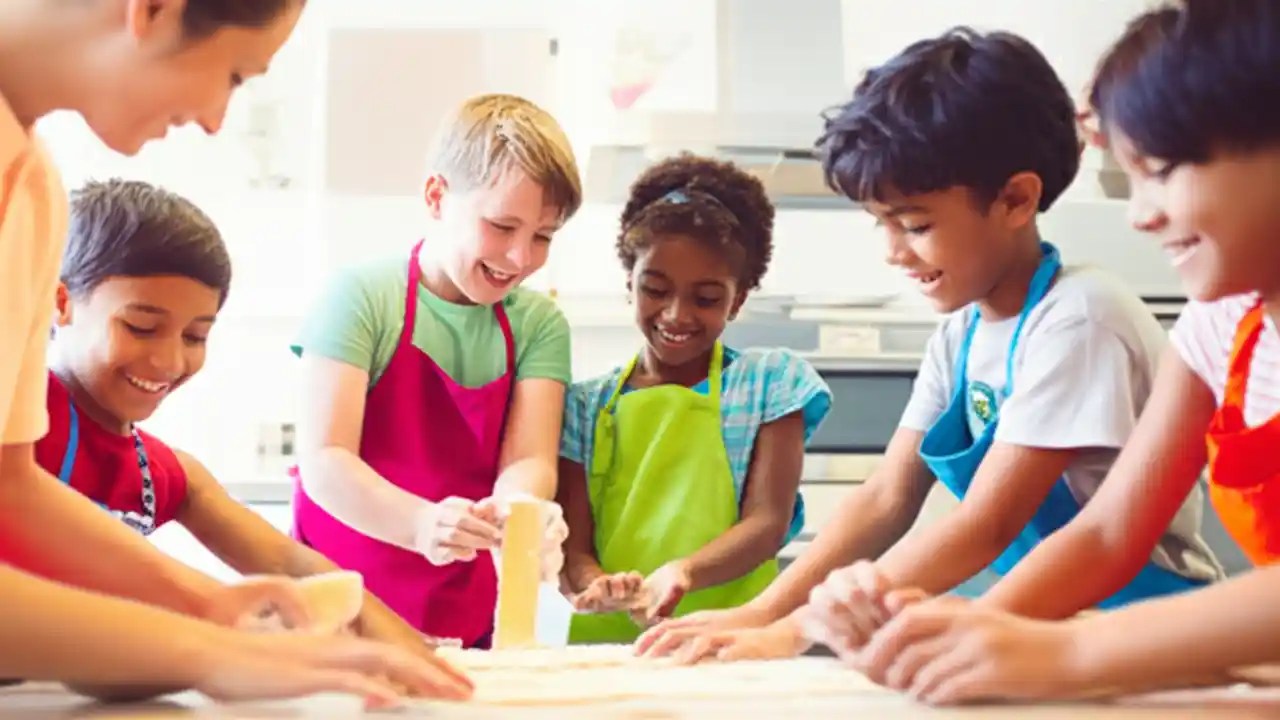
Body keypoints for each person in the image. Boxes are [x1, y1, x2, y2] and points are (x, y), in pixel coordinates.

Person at [636, 26, 1220, 665]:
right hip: (1053, 622)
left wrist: (799, 633)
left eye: (915, 225)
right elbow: (887, 496)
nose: (894, 252)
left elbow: (988, 525)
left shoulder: (1079, 319)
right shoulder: (963, 334)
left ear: (1016, 199)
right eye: (881, 225)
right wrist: (765, 611)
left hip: (1147, 627)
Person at [0, 0, 468, 704]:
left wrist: (212, 608)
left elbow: (12, 489)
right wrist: (204, 648)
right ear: (156, 11)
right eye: (236, 74)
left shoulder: (33, 187)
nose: (218, 118)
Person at [848, 0, 1280, 704]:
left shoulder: (1083, 316)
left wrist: (1075, 650)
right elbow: (1108, 532)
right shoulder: (1217, 325)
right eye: (1131, 179)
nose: (1141, 215)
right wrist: (974, 639)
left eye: (1164, 170)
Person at [43, 178, 467, 673]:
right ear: (61, 303)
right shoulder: (21, 415)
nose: (168, 359)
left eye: (195, 335)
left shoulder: (163, 475)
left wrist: (401, 642)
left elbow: (290, 565)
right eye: (140, 327)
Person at [291, 93, 579, 649]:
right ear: (437, 196)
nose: (521, 257)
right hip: (340, 605)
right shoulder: (359, 298)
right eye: (502, 226)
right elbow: (326, 460)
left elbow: (529, 459)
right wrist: (421, 524)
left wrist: (518, 511)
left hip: (463, 609)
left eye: (543, 236)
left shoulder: (540, 325)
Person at [556, 154, 831, 643]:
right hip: (609, 647)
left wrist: (683, 572)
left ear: (738, 299)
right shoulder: (585, 405)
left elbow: (768, 522)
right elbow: (573, 549)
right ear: (630, 284)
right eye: (656, 290)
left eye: (705, 298)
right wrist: (597, 584)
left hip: (731, 639)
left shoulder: (769, 384)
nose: (676, 315)